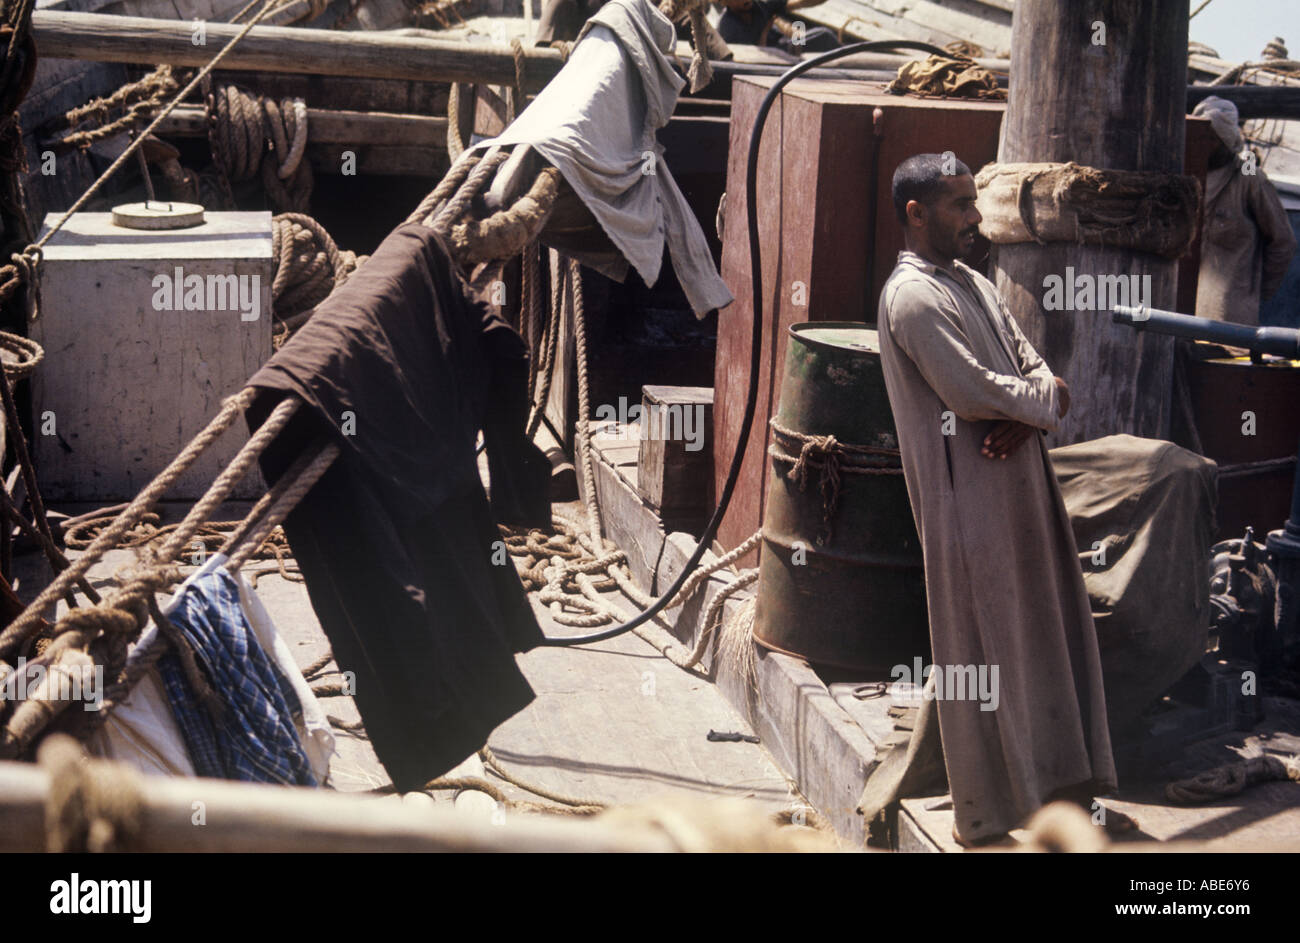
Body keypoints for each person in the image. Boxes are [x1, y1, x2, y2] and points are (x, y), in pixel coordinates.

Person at [875, 153, 1123, 846]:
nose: (974, 216)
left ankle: (1055, 786)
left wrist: (1035, 405)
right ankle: (984, 810)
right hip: (966, 506)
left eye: (971, 201)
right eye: (957, 204)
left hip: (1022, 487)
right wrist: (1045, 403)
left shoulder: (975, 284)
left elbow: (1026, 363)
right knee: (982, 647)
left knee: (1043, 629)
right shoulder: (913, 297)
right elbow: (971, 389)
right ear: (916, 214)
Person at [1191, 95, 1295, 326]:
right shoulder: (1185, 173)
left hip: (1229, 319)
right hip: (1180, 313)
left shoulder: (1248, 177)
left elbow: (1283, 242)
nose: (1206, 144)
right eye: (1202, 138)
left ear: (1224, 139)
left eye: (1212, 138)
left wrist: (1255, 292)